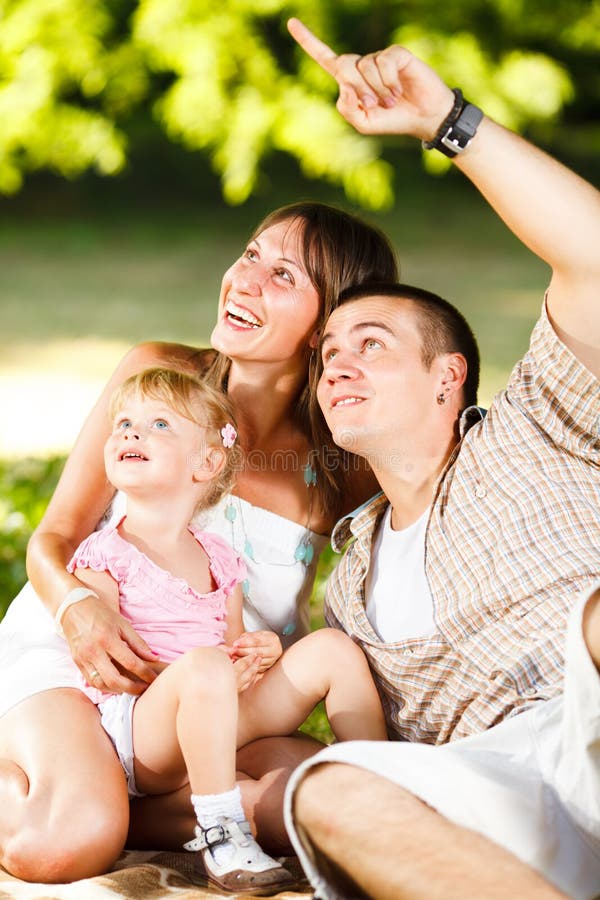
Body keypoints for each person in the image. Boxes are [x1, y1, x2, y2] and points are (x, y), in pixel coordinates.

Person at [282, 17, 600, 900]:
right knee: (332, 791)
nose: (338, 365)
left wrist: (447, 122)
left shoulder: (538, 426)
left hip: (591, 701)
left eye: (371, 344)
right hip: (503, 790)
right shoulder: (347, 590)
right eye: (328, 355)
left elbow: (593, 256)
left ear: (448, 377)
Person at [0, 200, 398, 882]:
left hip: (207, 706)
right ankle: (88, 792)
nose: (245, 280)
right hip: (83, 668)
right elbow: (55, 537)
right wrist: (75, 607)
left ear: (326, 327)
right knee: (64, 841)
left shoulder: (341, 462)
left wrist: (274, 654)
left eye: (283, 275)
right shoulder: (156, 374)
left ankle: (147, 808)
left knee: (315, 796)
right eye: (251, 255)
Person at [62, 365, 386, 892]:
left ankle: (388, 785)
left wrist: (258, 652)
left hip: (219, 708)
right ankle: (222, 830)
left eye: (159, 424)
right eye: (123, 424)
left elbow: (230, 646)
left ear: (208, 462)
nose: (131, 433)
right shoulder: (105, 555)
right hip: (144, 737)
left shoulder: (220, 559)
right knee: (207, 668)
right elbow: (106, 668)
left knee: (331, 650)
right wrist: (204, 673)